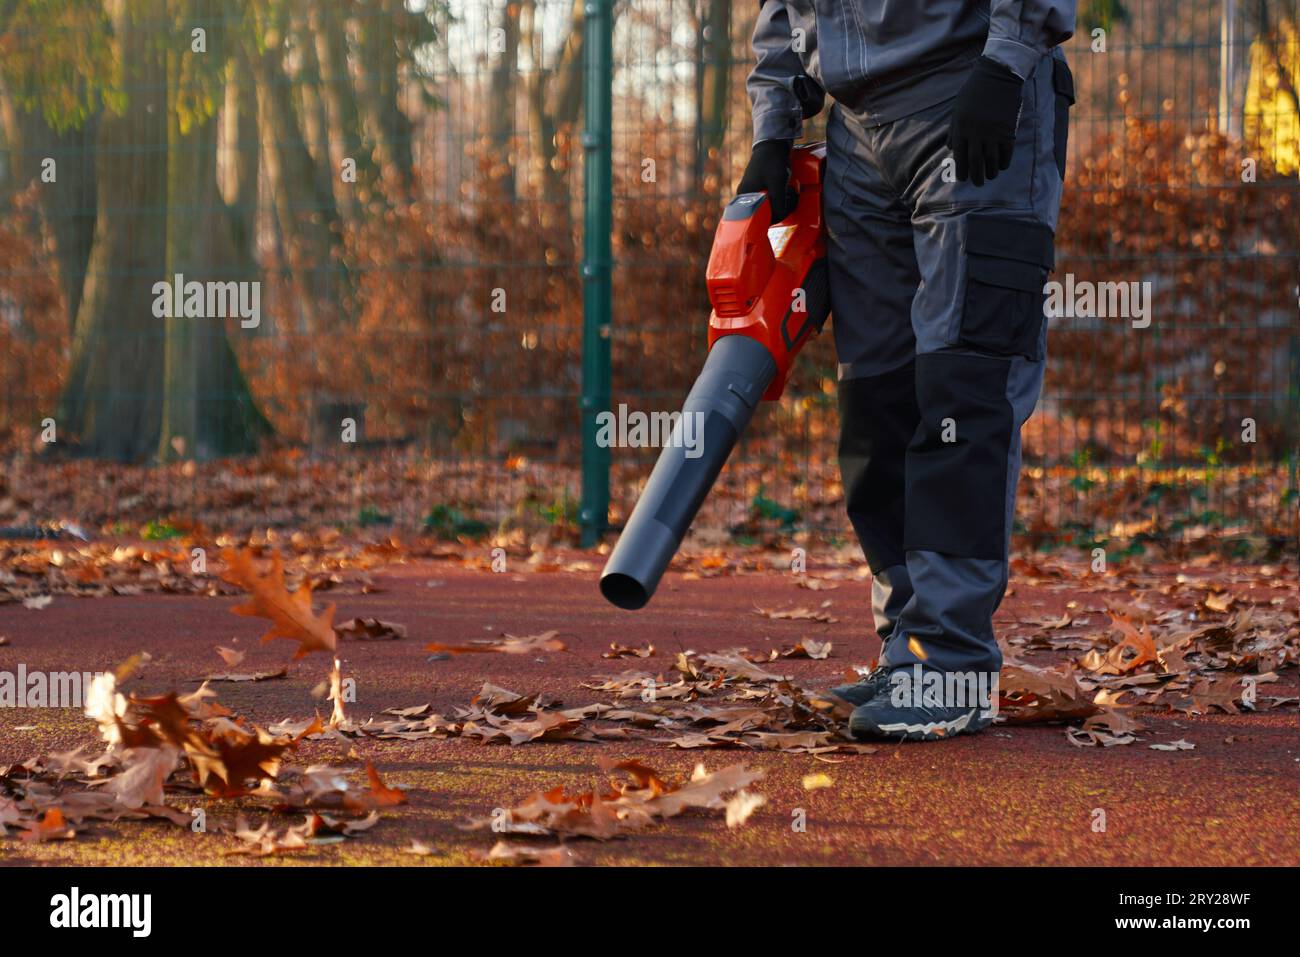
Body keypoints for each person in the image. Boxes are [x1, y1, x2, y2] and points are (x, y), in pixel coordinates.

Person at [737, 0, 1077, 741]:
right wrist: (775, 127)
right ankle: (909, 650)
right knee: (877, 400)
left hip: (975, 93)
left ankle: (950, 662)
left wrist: (1007, 58)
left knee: (963, 388)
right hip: (857, 130)